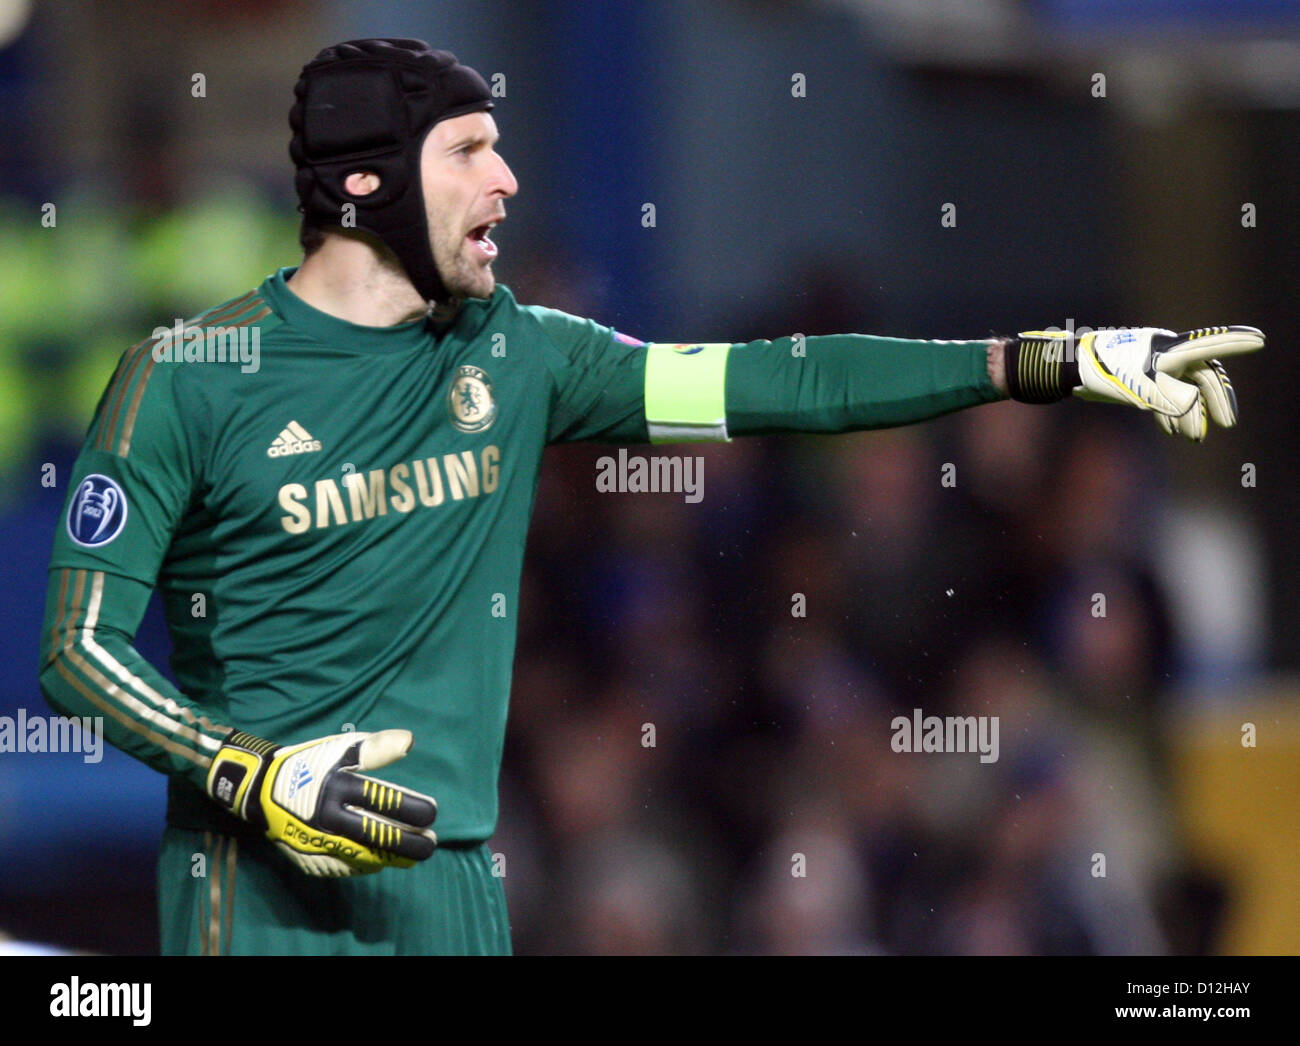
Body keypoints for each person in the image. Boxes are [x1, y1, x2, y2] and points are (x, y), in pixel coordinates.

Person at [37, 38, 1264, 956]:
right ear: (365, 186)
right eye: (468, 151)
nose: (507, 178)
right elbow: (76, 654)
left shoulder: (518, 354)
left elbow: (783, 382)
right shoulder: (191, 377)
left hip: (453, 875)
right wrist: (257, 776)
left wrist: (1034, 361)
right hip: (256, 879)